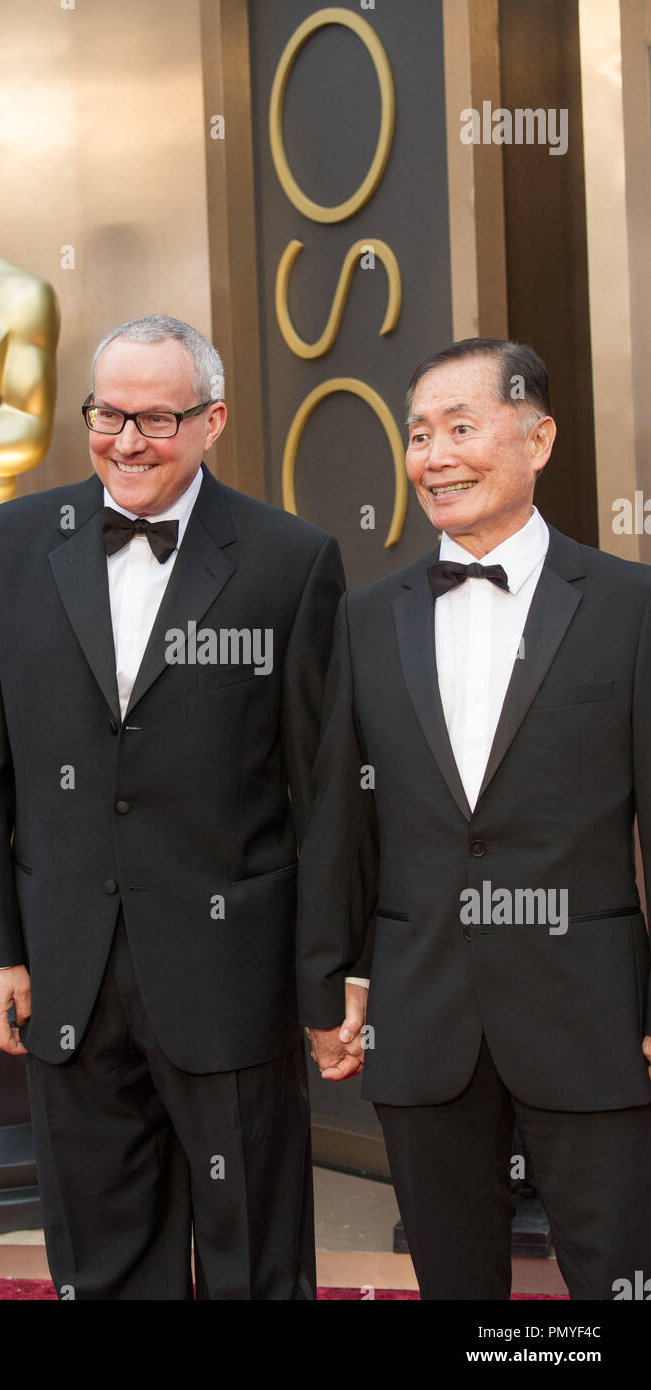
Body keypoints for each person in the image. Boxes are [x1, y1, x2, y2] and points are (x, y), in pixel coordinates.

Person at [0, 314, 345, 1299]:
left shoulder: (292, 560)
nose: (127, 441)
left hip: (231, 974)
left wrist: (327, 977)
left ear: (212, 421)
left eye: (156, 419)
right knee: (102, 1257)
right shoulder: (3, 545)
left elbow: (324, 790)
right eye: (109, 414)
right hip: (67, 970)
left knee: (257, 1254)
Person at [299, 337, 651, 1300]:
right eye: (418, 435)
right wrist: (332, 981)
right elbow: (341, 819)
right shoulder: (366, 619)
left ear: (538, 440)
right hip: (422, 1011)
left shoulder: (630, 605)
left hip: (591, 1011)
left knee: (620, 1275)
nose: (434, 456)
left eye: (462, 427)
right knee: (455, 1286)